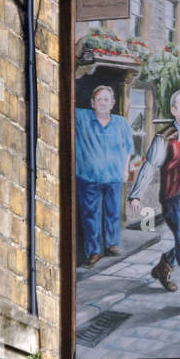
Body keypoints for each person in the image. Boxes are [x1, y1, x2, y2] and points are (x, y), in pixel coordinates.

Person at [127, 87, 180, 311]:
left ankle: (164, 266)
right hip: (174, 197)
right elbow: (149, 166)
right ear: (174, 110)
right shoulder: (165, 138)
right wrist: (136, 195)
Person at [74, 84, 135, 267]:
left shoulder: (121, 123)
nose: (102, 103)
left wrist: (125, 170)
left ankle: (111, 244)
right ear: (92, 103)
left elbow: (128, 148)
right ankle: (93, 251)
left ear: (112, 103)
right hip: (88, 177)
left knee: (113, 212)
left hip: (114, 176)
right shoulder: (82, 118)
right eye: (98, 99)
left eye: (106, 100)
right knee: (90, 215)